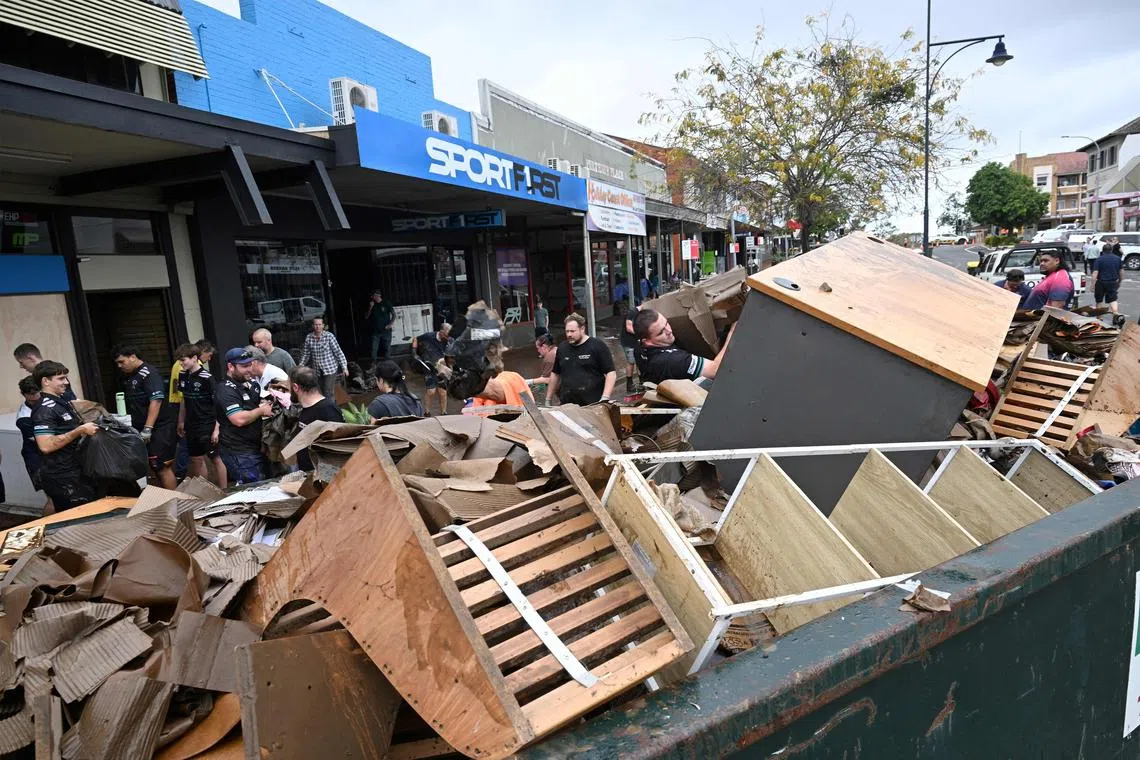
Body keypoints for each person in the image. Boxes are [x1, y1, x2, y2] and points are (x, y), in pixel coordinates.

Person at [31, 360, 99, 511]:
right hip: (63, 476)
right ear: (45, 381)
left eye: (66, 378)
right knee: (77, 523)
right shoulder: (44, 409)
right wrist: (79, 431)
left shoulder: (61, 402)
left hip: (77, 470)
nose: (66, 382)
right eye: (61, 378)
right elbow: (46, 445)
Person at [112, 344, 177, 489]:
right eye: (117, 363)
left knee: (161, 466)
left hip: (159, 428)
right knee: (152, 468)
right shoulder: (131, 376)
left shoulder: (149, 373)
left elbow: (156, 400)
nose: (119, 366)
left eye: (122, 362)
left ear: (133, 357)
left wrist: (148, 428)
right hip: (141, 428)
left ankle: (175, 503)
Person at [214, 348, 272, 487]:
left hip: (256, 445)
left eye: (250, 364)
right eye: (244, 366)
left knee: (267, 485)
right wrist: (261, 410)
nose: (249, 369)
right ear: (230, 367)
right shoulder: (225, 389)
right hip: (238, 449)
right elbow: (238, 419)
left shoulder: (252, 383)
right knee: (255, 489)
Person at [634, 308, 737, 385]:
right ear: (647, 341)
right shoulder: (673, 360)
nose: (669, 331)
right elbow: (715, 370)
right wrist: (733, 333)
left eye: (666, 323)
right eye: (661, 332)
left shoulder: (639, 348)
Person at [174, 342, 222, 485]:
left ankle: (225, 490)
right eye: (179, 361)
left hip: (207, 423)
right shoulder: (183, 375)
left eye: (183, 360)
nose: (181, 364)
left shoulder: (206, 377)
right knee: (196, 459)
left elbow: (217, 404)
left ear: (194, 358)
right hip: (191, 423)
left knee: (215, 458)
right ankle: (204, 492)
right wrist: (181, 421)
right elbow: (183, 400)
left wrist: (216, 428)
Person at [547, 313, 616, 406]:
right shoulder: (562, 348)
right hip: (568, 405)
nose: (569, 334)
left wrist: (605, 398)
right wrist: (548, 398)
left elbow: (611, 373)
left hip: (592, 404)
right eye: (567, 331)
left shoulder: (597, 346)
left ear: (582, 329)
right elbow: (555, 373)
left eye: (572, 331)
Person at [290, 366, 344, 472]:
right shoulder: (304, 409)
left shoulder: (328, 409)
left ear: (295, 387)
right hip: (307, 474)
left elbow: (339, 448)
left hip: (323, 477)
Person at [299, 316, 348, 398]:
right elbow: (306, 354)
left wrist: (344, 367)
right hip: (317, 370)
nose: (317, 326)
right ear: (313, 326)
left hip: (330, 368)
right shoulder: (309, 337)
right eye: (316, 324)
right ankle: (328, 407)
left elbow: (338, 352)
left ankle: (330, 409)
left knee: (328, 391)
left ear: (323, 325)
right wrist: (300, 366)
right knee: (320, 391)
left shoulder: (329, 336)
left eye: (319, 324)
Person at [412, 323, 452, 416]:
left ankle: (444, 413)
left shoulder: (449, 340)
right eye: (446, 335)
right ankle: (427, 412)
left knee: (443, 392)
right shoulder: (429, 336)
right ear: (441, 332)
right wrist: (414, 352)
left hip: (442, 367)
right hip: (428, 366)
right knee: (431, 391)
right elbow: (415, 339)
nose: (448, 337)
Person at [15, 376, 44, 498]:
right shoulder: (24, 418)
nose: (36, 404)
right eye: (32, 401)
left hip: (53, 457)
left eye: (38, 399)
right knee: (53, 499)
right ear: (23, 394)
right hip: (37, 459)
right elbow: (43, 442)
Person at [1092, 241, 1124, 319]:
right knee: (1113, 299)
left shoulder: (1099, 259)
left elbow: (1095, 273)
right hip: (1113, 282)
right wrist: (1120, 281)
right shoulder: (1117, 259)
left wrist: (1092, 284)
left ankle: (1100, 318)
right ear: (1112, 250)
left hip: (1101, 282)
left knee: (1099, 301)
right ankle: (1115, 314)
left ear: (1102, 251)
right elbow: (1121, 271)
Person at [366, 291, 395, 362]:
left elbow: (394, 315)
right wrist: (370, 307)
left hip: (386, 330)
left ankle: (388, 363)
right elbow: (366, 317)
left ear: (378, 296)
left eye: (373, 296)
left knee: (387, 348)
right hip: (376, 331)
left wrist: (390, 324)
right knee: (374, 348)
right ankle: (374, 364)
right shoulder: (372, 304)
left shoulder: (386, 303)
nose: (372, 298)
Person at [530, 333, 558, 404]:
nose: (538, 351)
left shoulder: (550, 357)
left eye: (538, 348)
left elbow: (547, 379)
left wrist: (527, 382)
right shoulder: (556, 349)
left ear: (544, 346)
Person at [620, 304, 640, 394]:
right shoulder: (632, 313)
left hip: (636, 341)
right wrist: (641, 334)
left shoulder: (640, 313)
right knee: (631, 362)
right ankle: (629, 384)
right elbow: (629, 328)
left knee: (639, 361)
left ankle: (642, 382)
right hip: (629, 342)